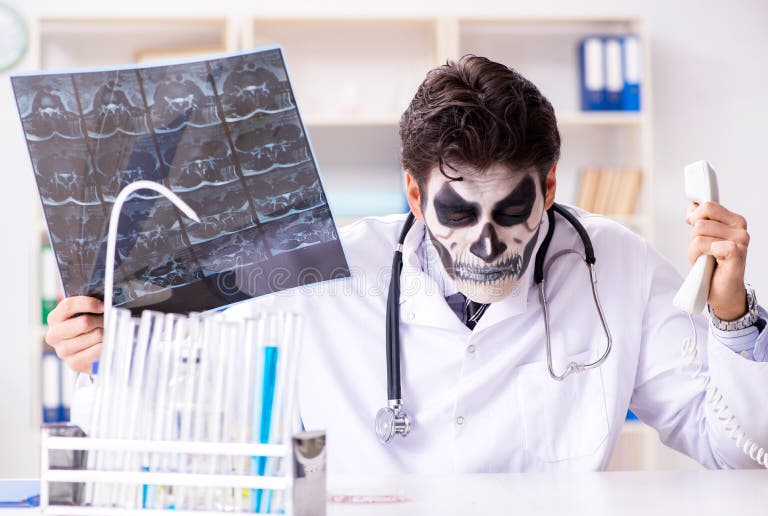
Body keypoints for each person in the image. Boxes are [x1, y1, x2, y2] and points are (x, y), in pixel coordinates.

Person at [46, 55, 767, 473]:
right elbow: (172, 404)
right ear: (416, 196)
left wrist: (732, 313)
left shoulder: (616, 263)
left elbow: (733, 448)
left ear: (549, 187)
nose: (486, 245)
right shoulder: (319, 271)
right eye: (458, 212)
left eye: (512, 210)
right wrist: (104, 349)